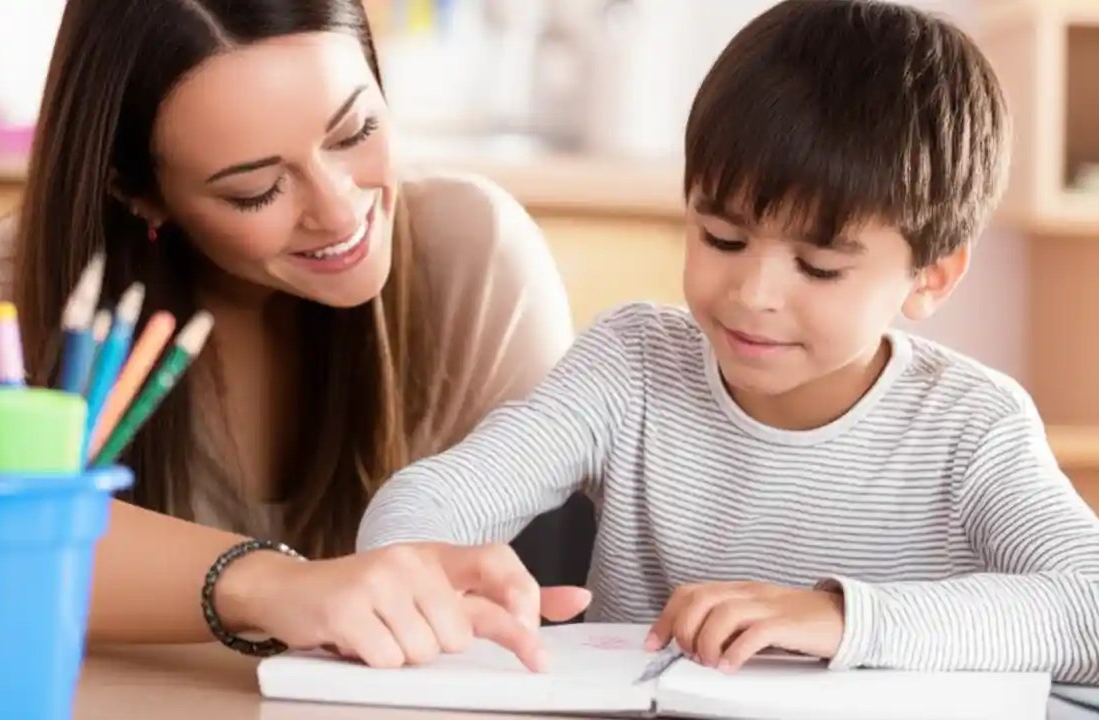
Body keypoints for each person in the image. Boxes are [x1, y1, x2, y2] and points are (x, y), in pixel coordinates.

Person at [357, 0, 1099, 684]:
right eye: (722, 237)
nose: (753, 294)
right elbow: (431, 498)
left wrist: (842, 620)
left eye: (818, 266)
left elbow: (1090, 609)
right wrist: (420, 567)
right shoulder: (632, 364)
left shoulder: (972, 426)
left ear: (930, 277)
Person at [0, 0, 591, 671]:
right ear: (137, 192)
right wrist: (273, 586)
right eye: (258, 190)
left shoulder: (477, 259)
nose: (338, 210)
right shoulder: (12, 299)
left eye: (354, 131)